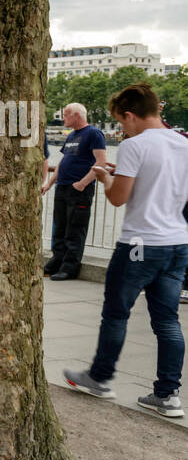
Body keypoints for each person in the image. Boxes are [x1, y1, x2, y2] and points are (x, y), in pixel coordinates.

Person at [63, 83, 188, 418]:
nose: (121, 128)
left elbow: (119, 198)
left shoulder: (135, 146)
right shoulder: (183, 143)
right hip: (177, 243)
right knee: (168, 321)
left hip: (139, 243)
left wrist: (105, 177)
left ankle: (100, 378)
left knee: (116, 313)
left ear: (131, 115)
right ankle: (168, 395)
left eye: (122, 121)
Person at [41, 103, 108, 281]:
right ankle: (57, 261)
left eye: (66, 115)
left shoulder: (93, 134)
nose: (63, 118)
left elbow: (101, 162)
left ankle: (70, 267)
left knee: (75, 229)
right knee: (60, 228)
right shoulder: (71, 135)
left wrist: (82, 183)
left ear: (77, 115)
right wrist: (49, 183)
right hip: (62, 187)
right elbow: (63, 162)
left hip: (79, 189)